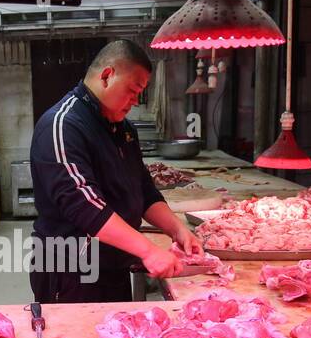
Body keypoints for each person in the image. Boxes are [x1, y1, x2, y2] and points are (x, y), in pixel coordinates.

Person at [29, 39, 202, 303]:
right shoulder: (62, 125)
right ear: (107, 76)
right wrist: (148, 251)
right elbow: (84, 206)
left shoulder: (123, 130)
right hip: (71, 272)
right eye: (133, 90)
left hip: (113, 265)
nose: (135, 100)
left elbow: (144, 190)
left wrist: (177, 230)